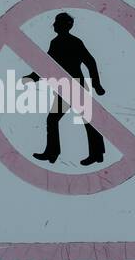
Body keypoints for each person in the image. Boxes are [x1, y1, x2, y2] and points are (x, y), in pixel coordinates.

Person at [24, 12, 106, 166]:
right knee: (57, 119)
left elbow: (90, 61)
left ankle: (95, 154)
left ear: (63, 25)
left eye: (56, 22)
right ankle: (53, 153)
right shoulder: (55, 43)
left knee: (87, 120)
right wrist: (32, 78)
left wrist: (97, 84)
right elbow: (46, 64)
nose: (54, 25)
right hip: (64, 87)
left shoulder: (75, 42)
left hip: (76, 85)